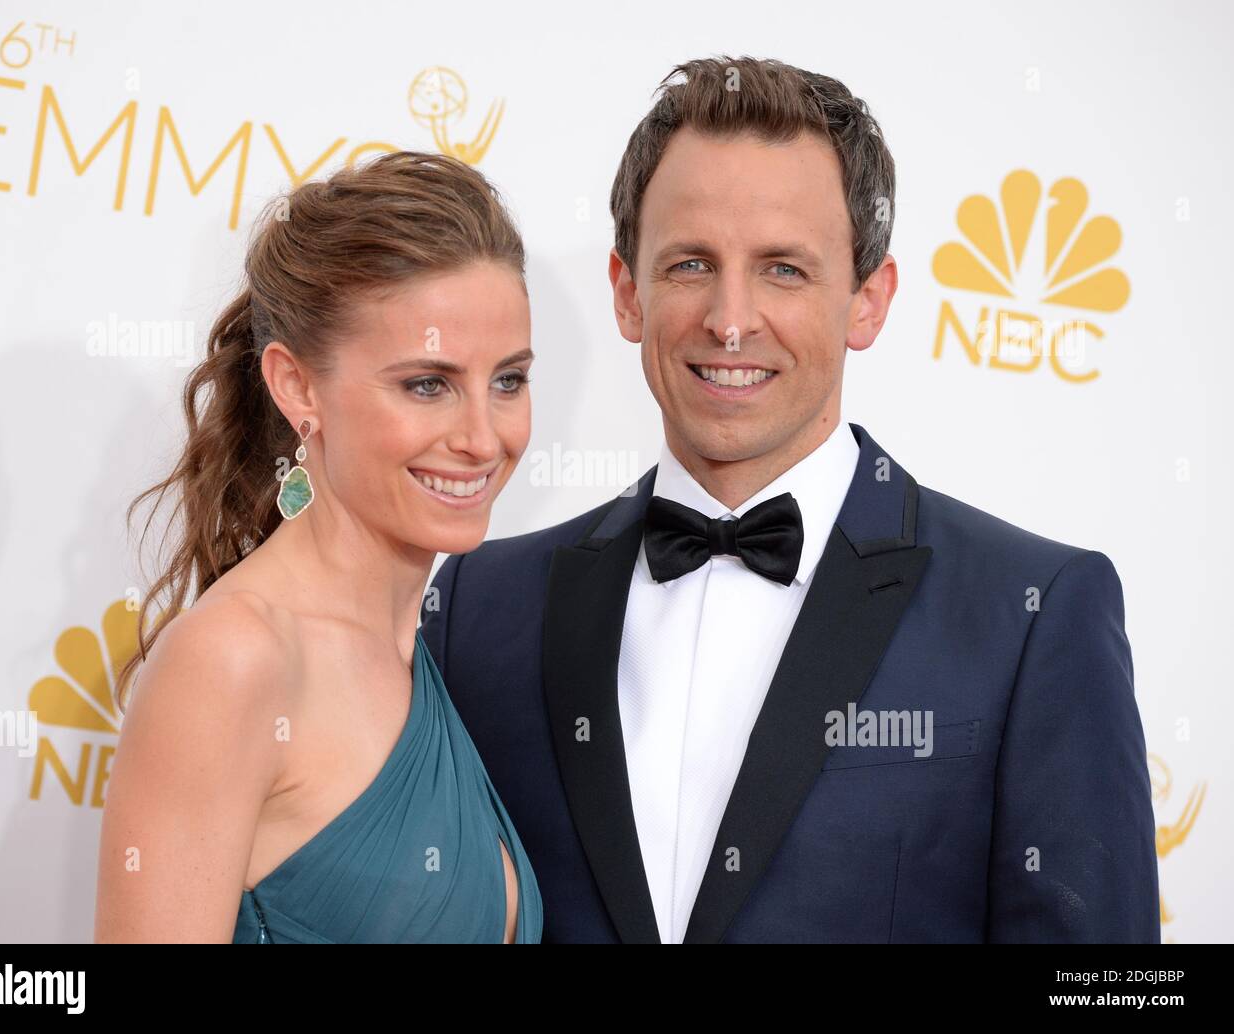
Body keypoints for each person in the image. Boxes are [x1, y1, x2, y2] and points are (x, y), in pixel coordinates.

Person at [419, 56, 1160, 943]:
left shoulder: (1032, 615)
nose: (731, 320)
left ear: (869, 301)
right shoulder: (476, 603)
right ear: (627, 292)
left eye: (784, 270)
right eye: (691, 263)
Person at [94, 151, 544, 943]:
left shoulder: (419, 654)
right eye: (428, 384)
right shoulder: (235, 661)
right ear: (298, 387)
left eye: (507, 380)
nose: (483, 437)